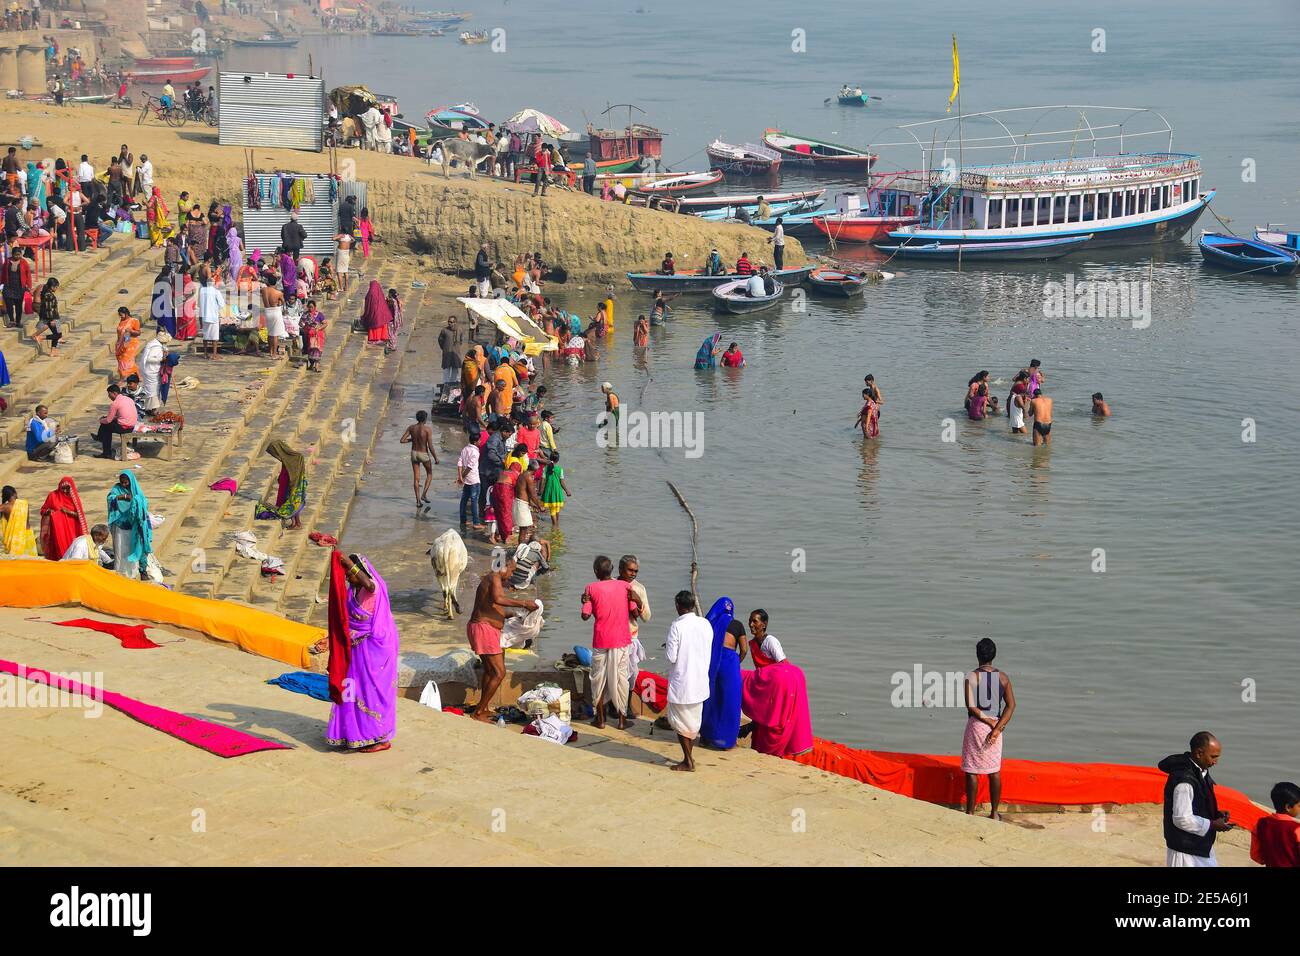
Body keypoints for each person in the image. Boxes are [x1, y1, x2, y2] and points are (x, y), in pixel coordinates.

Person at [325, 552, 400, 753]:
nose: (347, 578)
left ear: (360, 572)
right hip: (357, 649)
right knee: (353, 690)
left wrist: (349, 563)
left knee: (372, 692)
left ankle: (380, 738)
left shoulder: (372, 588)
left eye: (350, 574)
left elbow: (370, 585)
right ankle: (354, 733)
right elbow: (346, 620)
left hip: (375, 651)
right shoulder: (353, 591)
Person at [467, 558, 539, 722]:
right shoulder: (494, 578)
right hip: (484, 629)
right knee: (500, 673)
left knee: (490, 671)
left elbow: (495, 607)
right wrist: (524, 603)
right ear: (503, 566)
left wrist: (517, 615)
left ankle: (483, 708)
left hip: (483, 628)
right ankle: (478, 712)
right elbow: (498, 599)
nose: (512, 575)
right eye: (512, 570)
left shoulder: (492, 580)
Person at [581, 555, 643, 731]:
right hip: (622, 640)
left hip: (601, 640)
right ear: (612, 569)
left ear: (595, 572)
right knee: (621, 679)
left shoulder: (591, 588)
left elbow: (585, 616)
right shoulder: (625, 587)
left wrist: (586, 602)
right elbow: (636, 613)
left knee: (598, 679)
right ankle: (622, 721)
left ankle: (600, 720)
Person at [740, 609, 814, 757]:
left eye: (755, 621)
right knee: (760, 711)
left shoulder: (771, 642)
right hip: (765, 685)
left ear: (764, 624)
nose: (751, 624)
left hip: (775, 686)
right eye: (750, 620)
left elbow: (784, 665)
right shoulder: (754, 643)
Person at [962, 638, 1016, 819]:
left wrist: (988, 722)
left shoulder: (971, 677)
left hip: (977, 726)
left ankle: (970, 812)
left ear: (977, 655)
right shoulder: (1003, 678)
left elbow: (971, 706)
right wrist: (997, 727)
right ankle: (994, 813)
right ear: (994, 655)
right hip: (996, 727)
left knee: (971, 770)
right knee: (994, 771)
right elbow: (1011, 706)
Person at [1160, 732, 1231, 867]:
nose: (1215, 762)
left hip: (1198, 845)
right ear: (1199, 753)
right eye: (1213, 757)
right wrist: (1212, 824)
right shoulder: (1185, 781)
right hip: (1185, 850)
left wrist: (1215, 814)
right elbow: (1181, 818)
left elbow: (1197, 804)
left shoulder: (1199, 770)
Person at [665, 590, 715, 771]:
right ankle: (689, 757)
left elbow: (671, 657)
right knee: (692, 723)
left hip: (683, 683)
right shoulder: (706, 624)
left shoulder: (676, 626)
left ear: (678, 606)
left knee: (679, 722)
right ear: (693, 605)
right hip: (700, 681)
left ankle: (688, 760)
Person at [699, 598, 743, 750]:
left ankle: (705, 736)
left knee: (710, 698)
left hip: (711, 661)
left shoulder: (711, 624)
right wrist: (736, 661)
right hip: (729, 662)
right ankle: (727, 741)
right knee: (730, 701)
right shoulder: (736, 624)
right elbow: (744, 649)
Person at [106, 472, 152, 579]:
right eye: (122, 482)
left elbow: (144, 502)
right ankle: (120, 573)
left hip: (133, 526)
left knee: (132, 549)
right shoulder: (116, 488)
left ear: (131, 481)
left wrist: (136, 501)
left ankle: (133, 573)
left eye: (126, 482)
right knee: (120, 550)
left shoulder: (136, 490)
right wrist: (122, 497)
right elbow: (110, 498)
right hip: (119, 525)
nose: (124, 484)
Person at [255, 440, 307, 529]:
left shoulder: (296, 457)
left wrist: (292, 486)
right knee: (290, 504)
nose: (277, 457)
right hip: (288, 484)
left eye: (276, 454)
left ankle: (297, 523)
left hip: (294, 485)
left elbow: (294, 474)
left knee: (293, 504)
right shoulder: (287, 459)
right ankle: (294, 523)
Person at [1250, 782, 1300, 868]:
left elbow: (1256, 856)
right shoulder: (1296, 829)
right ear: (1288, 807)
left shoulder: (1260, 824)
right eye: (1299, 806)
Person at [39, 476, 88, 561]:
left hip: (72, 532)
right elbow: (43, 510)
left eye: (67, 488)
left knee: (70, 551)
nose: (65, 491)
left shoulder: (74, 499)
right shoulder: (53, 496)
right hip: (57, 531)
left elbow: (80, 516)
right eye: (63, 488)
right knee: (57, 552)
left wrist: (67, 512)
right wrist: (48, 511)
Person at [400, 410, 438, 509]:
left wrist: (411, 439)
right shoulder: (427, 429)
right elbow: (430, 446)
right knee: (429, 474)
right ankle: (424, 494)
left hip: (414, 453)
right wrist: (436, 458)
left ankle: (418, 501)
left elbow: (402, 440)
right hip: (423, 454)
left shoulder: (411, 428)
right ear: (425, 419)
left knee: (416, 478)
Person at [95, 384, 138, 459]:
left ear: (114, 393)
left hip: (124, 427)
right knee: (107, 423)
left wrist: (101, 420)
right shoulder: (128, 399)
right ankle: (100, 437)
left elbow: (108, 420)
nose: (109, 396)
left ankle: (106, 452)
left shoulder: (115, 403)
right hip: (132, 426)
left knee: (105, 426)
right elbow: (122, 415)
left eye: (109, 394)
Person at [0, 486, 39, 556]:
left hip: (14, 538)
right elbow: (27, 521)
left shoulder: (3, 507)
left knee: (16, 562)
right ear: (15, 493)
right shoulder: (24, 504)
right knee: (31, 560)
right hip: (27, 535)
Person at [138, 330, 170, 412]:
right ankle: (152, 409)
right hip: (151, 371)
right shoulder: (156, 347)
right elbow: (150, 359)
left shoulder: (154, 343)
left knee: (152, 390)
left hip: (150, 370)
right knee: (153, 390)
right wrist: (162, 359)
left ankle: (150, 407)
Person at [456, 439, 483, 530]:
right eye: (479, 440)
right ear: (475, 442)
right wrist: (462, 477)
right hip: (474, 479)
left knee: (464, 500)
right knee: (474, 501)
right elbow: (469, 467)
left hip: (467, 479)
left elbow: (460, 463)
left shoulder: (465, 449)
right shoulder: (475, 452)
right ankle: (476, 522)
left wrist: (460, 476)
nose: (480, 442)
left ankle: (463, 520)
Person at [198, 271, 225, 359]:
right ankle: (214, 354)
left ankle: (205, 353)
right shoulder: (216, 291)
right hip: (213, 316)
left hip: (204, 316)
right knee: (214, 337)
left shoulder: (202, 290)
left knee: (205, 335)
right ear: (213, 284)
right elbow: (222, 304)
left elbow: (199, 304)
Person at [2, 250, 31, 328]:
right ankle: (11, 321)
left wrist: (28, 286)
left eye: (19, 255)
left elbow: (28, 274)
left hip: (19, 287)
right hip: (8, 286)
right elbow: (3, 272)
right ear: (13, 254)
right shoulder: (7, 261)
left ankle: (18, 321)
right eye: (16, 255)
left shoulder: (24, 262)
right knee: (9, 304)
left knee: (18, 306)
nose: (17, 256)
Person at [33, 277, 61, 356]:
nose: (56, 288)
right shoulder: (48, 295)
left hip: (51, 316)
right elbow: (48, 308)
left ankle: (53, 351)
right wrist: (51, 320)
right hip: (50, 317)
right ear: (52, 286)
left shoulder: (47, 292)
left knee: (57, 334)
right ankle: (40, 337)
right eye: (56, 287)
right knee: (57, 335)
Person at [540, 451, 568, 526]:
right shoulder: (560, 469)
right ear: (558, 460)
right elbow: (562, 482)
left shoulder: (545, 468)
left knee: (552, 509)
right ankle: (556, 525)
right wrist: (567, 491)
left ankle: (555, 526)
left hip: (549, 490)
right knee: (557, 507)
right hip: (557, 490)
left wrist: (540, 490)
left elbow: (542, 480)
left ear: (550, 458)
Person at [262, 275, 287, 358]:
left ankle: (270, 352)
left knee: (270, 333)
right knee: (275, 334)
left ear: (268, 282)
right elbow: (283, 303)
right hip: (275, 311)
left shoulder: (263, 290)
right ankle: (274, 354)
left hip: (267, 311)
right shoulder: (279, 293)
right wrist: (279, 302)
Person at [360, 280, 391, 346]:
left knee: (375, 323)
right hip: (383, 314)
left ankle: (375, 338)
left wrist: (365, 315)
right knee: (381, 323)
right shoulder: (380, 293)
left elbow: (368, 305)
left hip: (375, 314)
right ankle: (382, 337)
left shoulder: (370, 294)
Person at [438, 315, 463, 386]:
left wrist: (456, 348)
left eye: (451, 322)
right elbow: (440, 340)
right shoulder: (444, 331)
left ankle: (453, 384)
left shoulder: (460, 330)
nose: (450, 323)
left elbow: (461, 341)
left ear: (455, 322)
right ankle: (446, 384)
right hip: (447, 353)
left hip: (456, 354)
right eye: (449, 322)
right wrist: (445, 348)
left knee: (455, 370)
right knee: (446, 369)